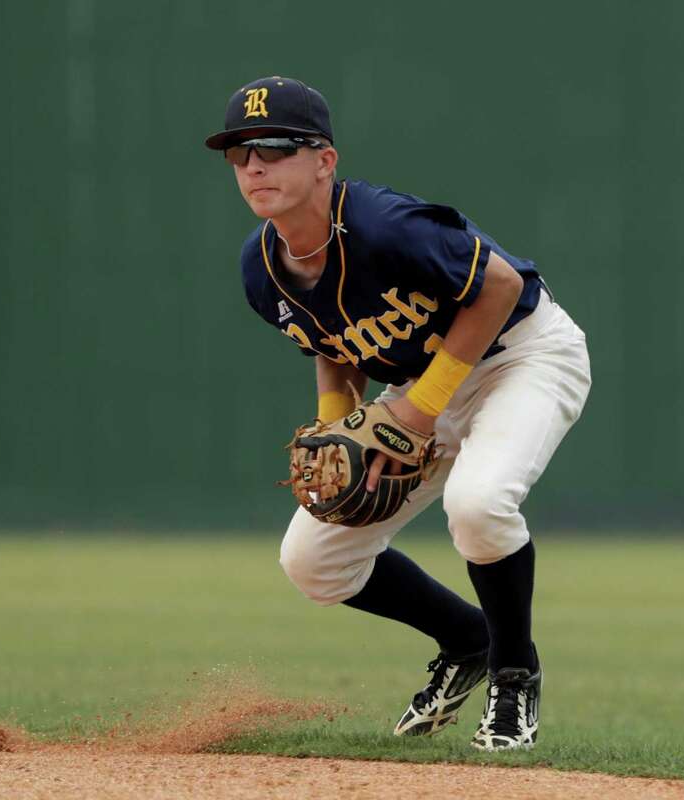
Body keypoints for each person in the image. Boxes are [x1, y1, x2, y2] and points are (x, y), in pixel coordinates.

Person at [205, 76, 591, 750]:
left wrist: (419, 411)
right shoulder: (260, 268)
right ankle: (468, 640)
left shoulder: (384, 225)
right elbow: (332, 345)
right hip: (423, 386)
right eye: (240, 152)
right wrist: (335, 420)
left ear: (324, 160)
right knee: (312, 559)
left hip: (522, 355)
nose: (254, 165)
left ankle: (513, 675)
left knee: (479, 505)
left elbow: (500, 286)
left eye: (275, 147)